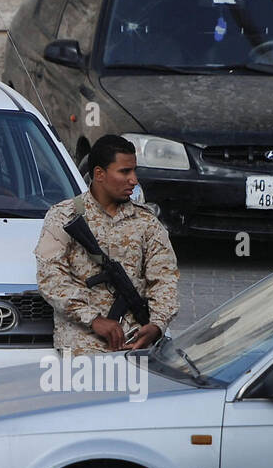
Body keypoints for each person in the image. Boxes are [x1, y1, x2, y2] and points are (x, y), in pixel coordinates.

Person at [35, 134, 180, 354]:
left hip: (135, 345)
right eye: (124, 172)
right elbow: (51, 278)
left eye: (134, 171)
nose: (134, 180)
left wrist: (157, 325)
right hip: (81, 347)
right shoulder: (63, 217)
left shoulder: (146, 222)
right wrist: (94, 319)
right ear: (99, 174)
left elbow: (165, 279)